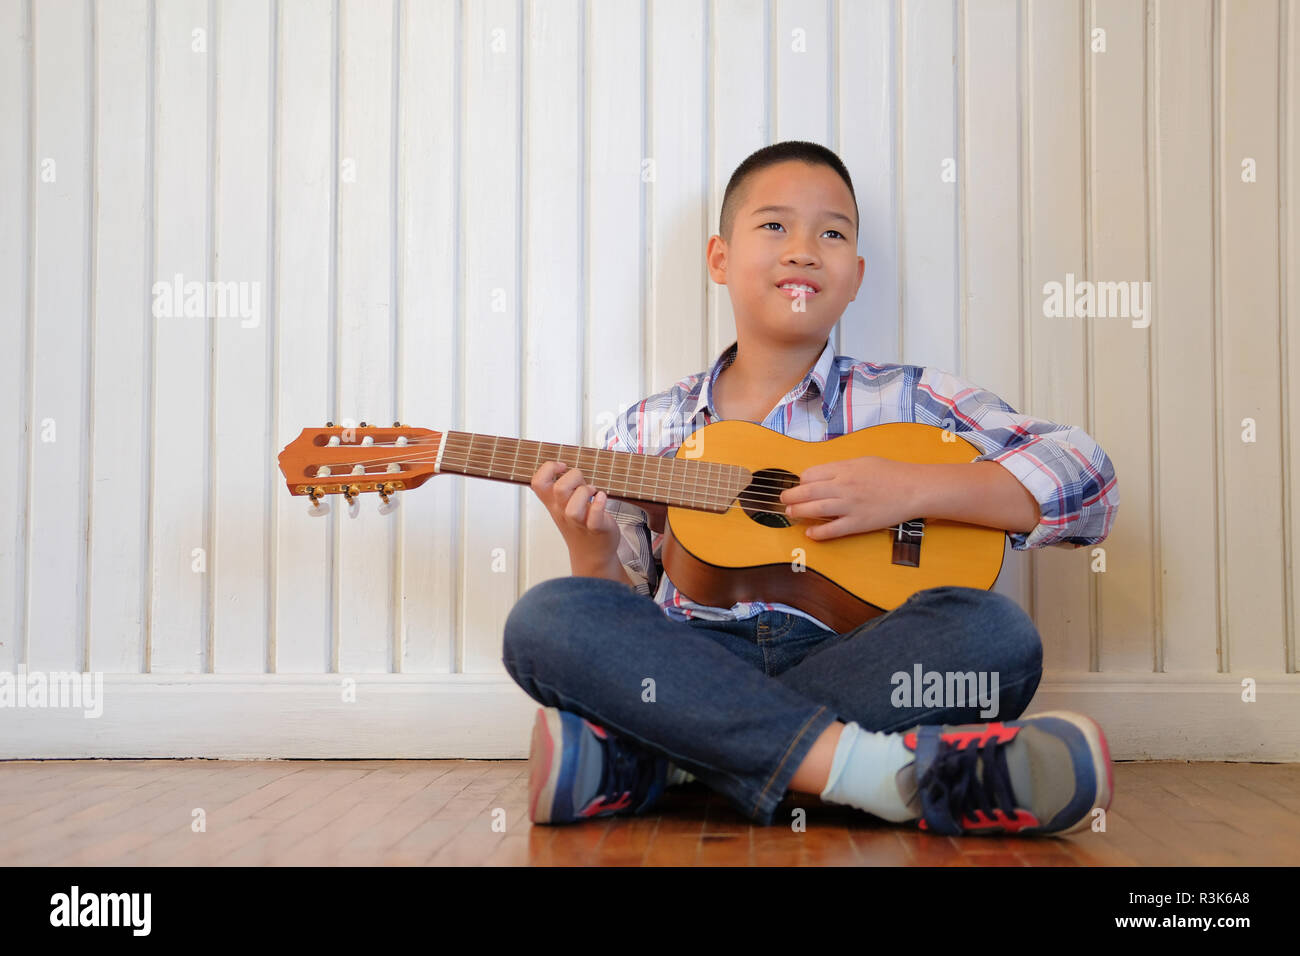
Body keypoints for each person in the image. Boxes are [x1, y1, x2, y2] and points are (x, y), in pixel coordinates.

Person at [502, 140, 1120, 836]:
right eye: (774, 226)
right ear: (720, 259)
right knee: (548, 618)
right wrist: (592, 556)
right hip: (699, 659)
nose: (802, 249)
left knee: (996, 636)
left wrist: (909, 489)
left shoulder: (911, 397)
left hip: (864, 657)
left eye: (831, 232)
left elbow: (1087, 474)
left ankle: (660, 764)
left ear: (854, 276)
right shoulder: (645, 429)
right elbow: (627, 627)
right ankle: (883, 776)